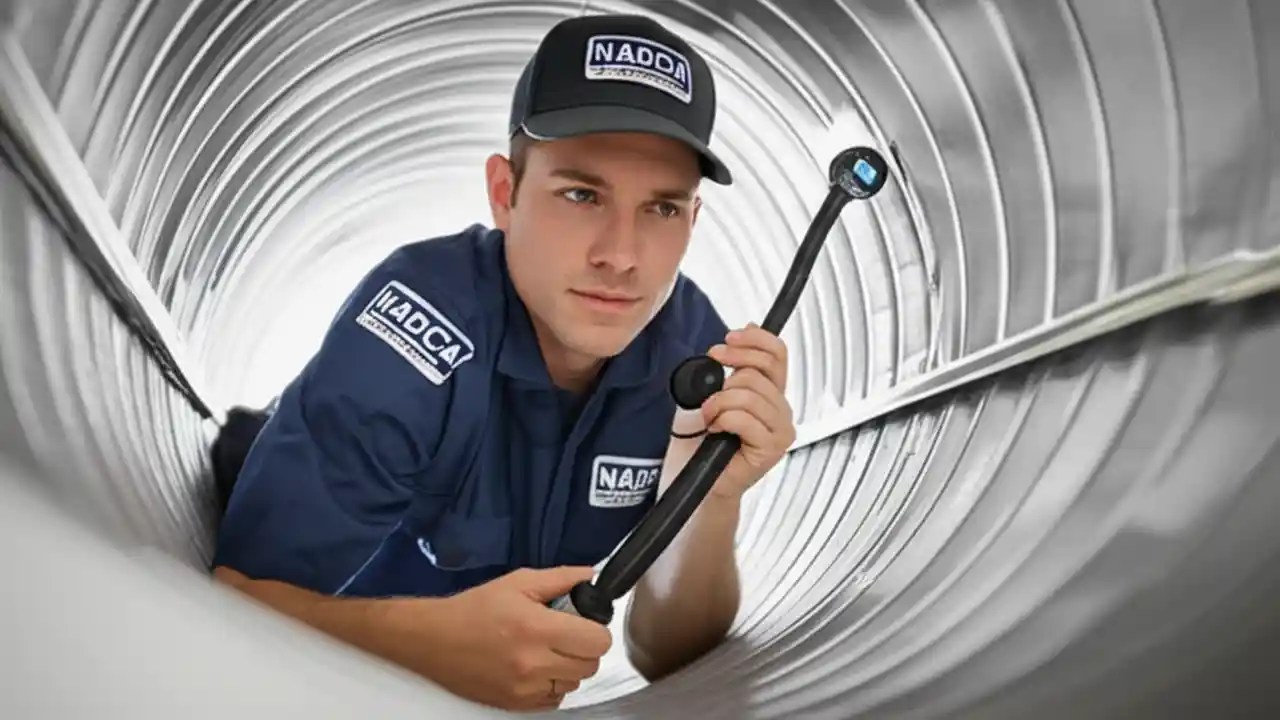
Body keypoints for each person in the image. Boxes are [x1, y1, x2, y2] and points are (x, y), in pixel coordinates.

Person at [210, 12, 796, 713]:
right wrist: (429, 647)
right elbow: (237, 601)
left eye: (662, 209)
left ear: (693, 221)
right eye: (582, 195)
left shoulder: (696, 363)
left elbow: (667, 660)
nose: (621, 255)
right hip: (331, 634)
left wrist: (709, 498)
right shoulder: (419, 326)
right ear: (504, 194)